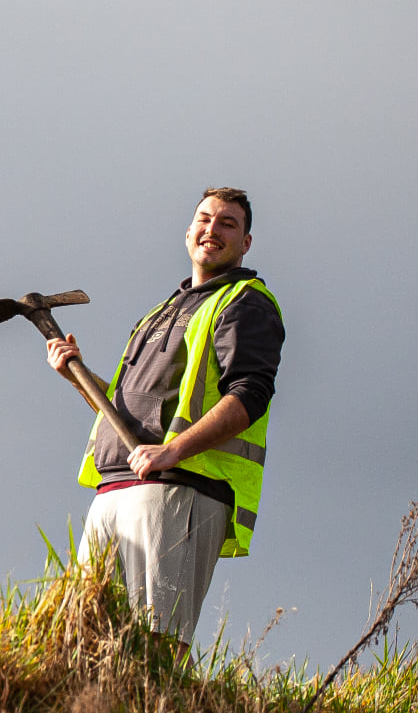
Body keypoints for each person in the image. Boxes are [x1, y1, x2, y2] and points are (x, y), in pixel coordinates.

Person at [44, 186, 284, 643]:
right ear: (188, 232)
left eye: (227, 224)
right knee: (82, 641)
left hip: (179, 490)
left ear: (246, 243)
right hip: (114, 486)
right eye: (205, 219)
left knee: (157, 643)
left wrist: (172, 451)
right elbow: (121, 407)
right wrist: (76, 375)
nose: (212, 230)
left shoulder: (245, 302)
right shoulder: (161, 312)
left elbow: (250, 396)